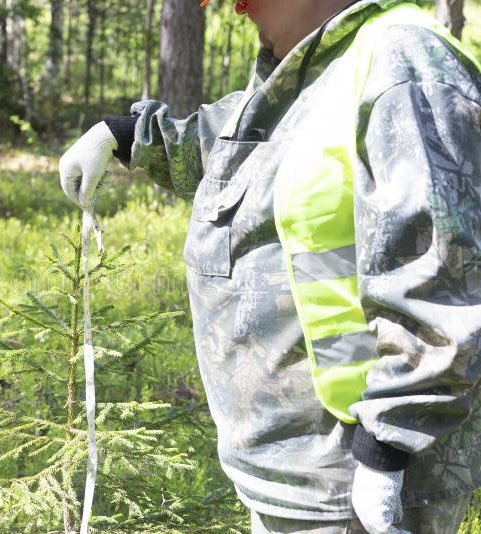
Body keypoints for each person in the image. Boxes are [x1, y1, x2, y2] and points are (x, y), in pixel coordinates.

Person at [59, 0, 481, 532]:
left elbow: (447, 275)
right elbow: (241, 154)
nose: (237, 12)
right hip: (288, 471)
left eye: (245, 0)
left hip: (353, 479)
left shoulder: (403, 64)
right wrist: (124, 134)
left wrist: (388, 445)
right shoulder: (319, 65)